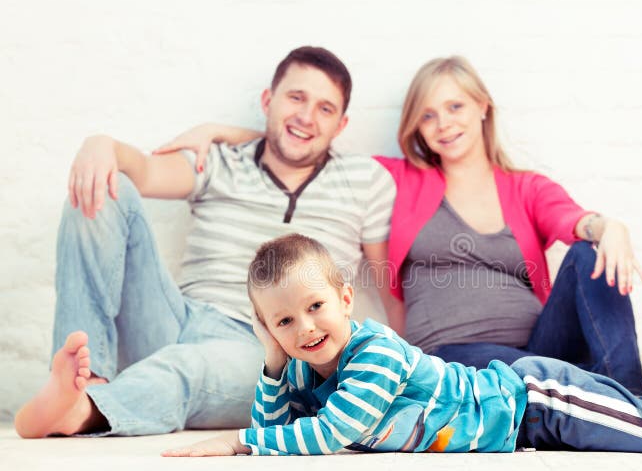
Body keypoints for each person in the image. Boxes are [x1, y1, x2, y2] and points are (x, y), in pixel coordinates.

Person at [160, 56, 642, 430]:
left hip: (540, 344)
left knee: (585, 256)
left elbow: (581, 224)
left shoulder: (524, 187)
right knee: (584, 395)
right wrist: (223, 130)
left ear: (483, 108)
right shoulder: (400, 178)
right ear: (416, 125)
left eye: (456, 109)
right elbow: (307, 141)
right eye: (429, 115)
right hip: (460, 356)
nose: (444, 125)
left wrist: (615, 227)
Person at [14, 46, 398, 439]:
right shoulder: (219, 159)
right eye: (296, 98)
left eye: (325, 109)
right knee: (105, 188)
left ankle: (82, 411)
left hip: (265, 343)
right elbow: (143, 172)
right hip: (175, 317)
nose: (306, 116)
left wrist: (405, 372)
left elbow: (388, 287)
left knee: (187, 368)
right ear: (268, 101)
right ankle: (85, 379)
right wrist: (102, 145)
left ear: (341, 125)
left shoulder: (366, 181)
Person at [161, 234, 642, 457]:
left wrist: (241, 442)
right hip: (530, 424)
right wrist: (273, 364)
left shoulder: (373, 352)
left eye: (315, 308)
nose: (304, 329)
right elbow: (282, 418)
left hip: (534, 399)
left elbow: (335, 432)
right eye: (283, 324)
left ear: (346, 299)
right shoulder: (303, 366)